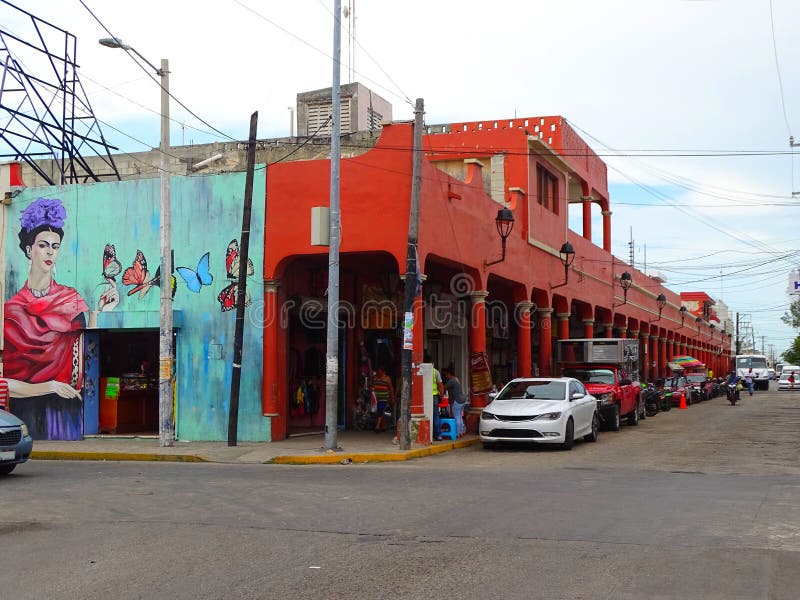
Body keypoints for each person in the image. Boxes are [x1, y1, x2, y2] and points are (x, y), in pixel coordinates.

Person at [3, 198, 118, 440]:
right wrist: (50, 386)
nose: (49, 252)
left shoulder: (71, 300)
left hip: (67, 411)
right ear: (28, 249)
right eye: (43, 245)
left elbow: (87, 350)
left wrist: (101, 312)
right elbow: (6, 381)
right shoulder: (12, 311)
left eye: (55, 246)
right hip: (28, 410)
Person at [424, 352, 445, 441]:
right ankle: (438, 435)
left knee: (425, 415)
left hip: (423, 397)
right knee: (436, 415)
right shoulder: (435, 371)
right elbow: (440, 385)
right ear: (431, 362)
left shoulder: (421, 371)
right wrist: (442, 395)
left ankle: (428, 434)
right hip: (433, 396)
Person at [442, 367, 467, 438]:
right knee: (460, 417)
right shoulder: (456, 379)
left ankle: (457, 433)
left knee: (456, 417)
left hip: (457, 401)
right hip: (463, 400)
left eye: (446, 375)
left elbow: (443, 387)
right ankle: (461, 432)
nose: (446, 377)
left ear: (449, 374)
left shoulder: (451, 381)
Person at [372, 366, 395, 433]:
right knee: (380, 412)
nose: (378, 372)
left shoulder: (387, 378)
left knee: (380, 410)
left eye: (379, 371)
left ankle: (378, 426)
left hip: (384, 398)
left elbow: (391, 388)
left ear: (383, 371)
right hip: (376, 398)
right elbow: (372, 386)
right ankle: (384, 426)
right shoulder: (375, 377)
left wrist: (392, 397)